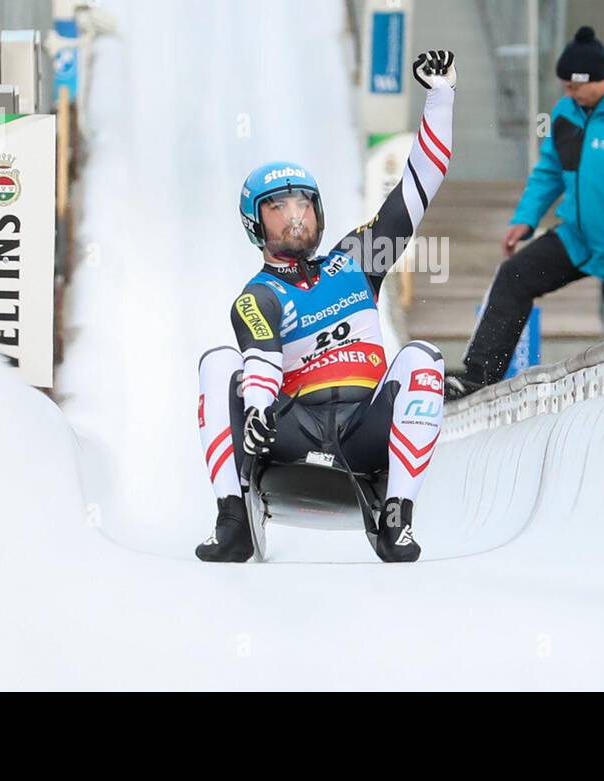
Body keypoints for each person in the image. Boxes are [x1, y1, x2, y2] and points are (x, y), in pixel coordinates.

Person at [195, 50, 457, 563]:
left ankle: (397, 517)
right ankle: (231, 518)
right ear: (256, 225)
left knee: (423, 357)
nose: (295, 219)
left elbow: (419, 187)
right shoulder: (258, 295)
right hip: (289, 431)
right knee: (217, 362)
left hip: (364, 430)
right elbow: (262, 361)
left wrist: (440, 95)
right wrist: (255, 414)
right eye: (279, 208)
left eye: (303, 205)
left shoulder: (359, 257)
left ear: (319, 212)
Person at [445, 26, 604, 401]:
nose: (568, 94)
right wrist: (525, 218)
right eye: (564, 87)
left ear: (599, 80)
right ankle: (479, 376)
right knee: (515, 276)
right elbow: (550, 170)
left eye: (574, 88)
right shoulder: (567, 112)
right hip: (579, 238)